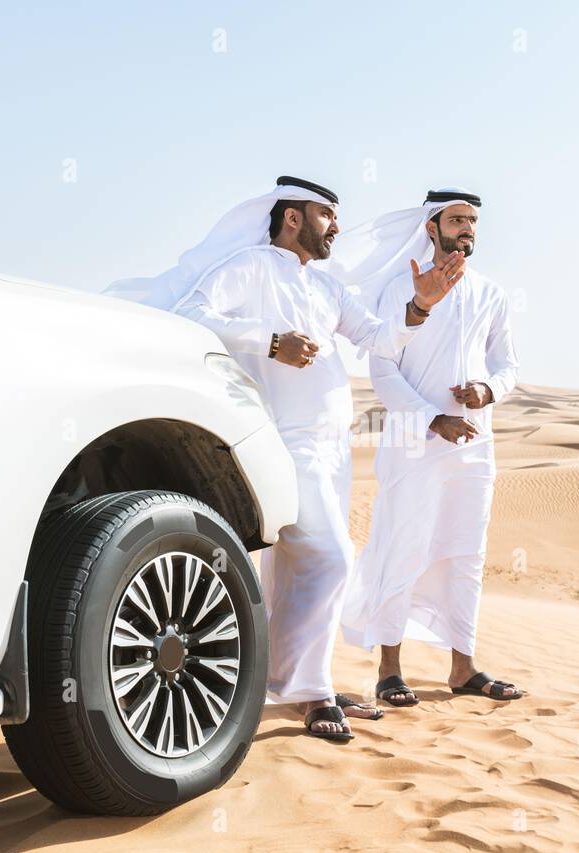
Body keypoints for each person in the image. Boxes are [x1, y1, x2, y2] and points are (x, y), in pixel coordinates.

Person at [106, 176, 467, 739]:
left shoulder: (325, 285)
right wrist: (270, 342)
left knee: (300, 565)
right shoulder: (250, 266)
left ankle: (307, 682)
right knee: (331, 558)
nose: (337, 227)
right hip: (283, 440)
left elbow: (378, 338)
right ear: (293, 217)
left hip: (332, 447)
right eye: (327, 215)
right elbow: (191, 314)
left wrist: (420, 306)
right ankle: (307, 690)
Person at [324, 188, 523, 708]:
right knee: (402, 545)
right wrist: (433, 418)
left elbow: (508, 366)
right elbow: (382, 369)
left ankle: (464, 666)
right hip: (414, 444)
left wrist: (487, 391)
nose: (468, 229)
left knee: (466, 551)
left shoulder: (491, 294)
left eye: (474, 221)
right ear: (431, 227)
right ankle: (389, 669)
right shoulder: (399, 291)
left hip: (476, 445)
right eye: (457, 220)